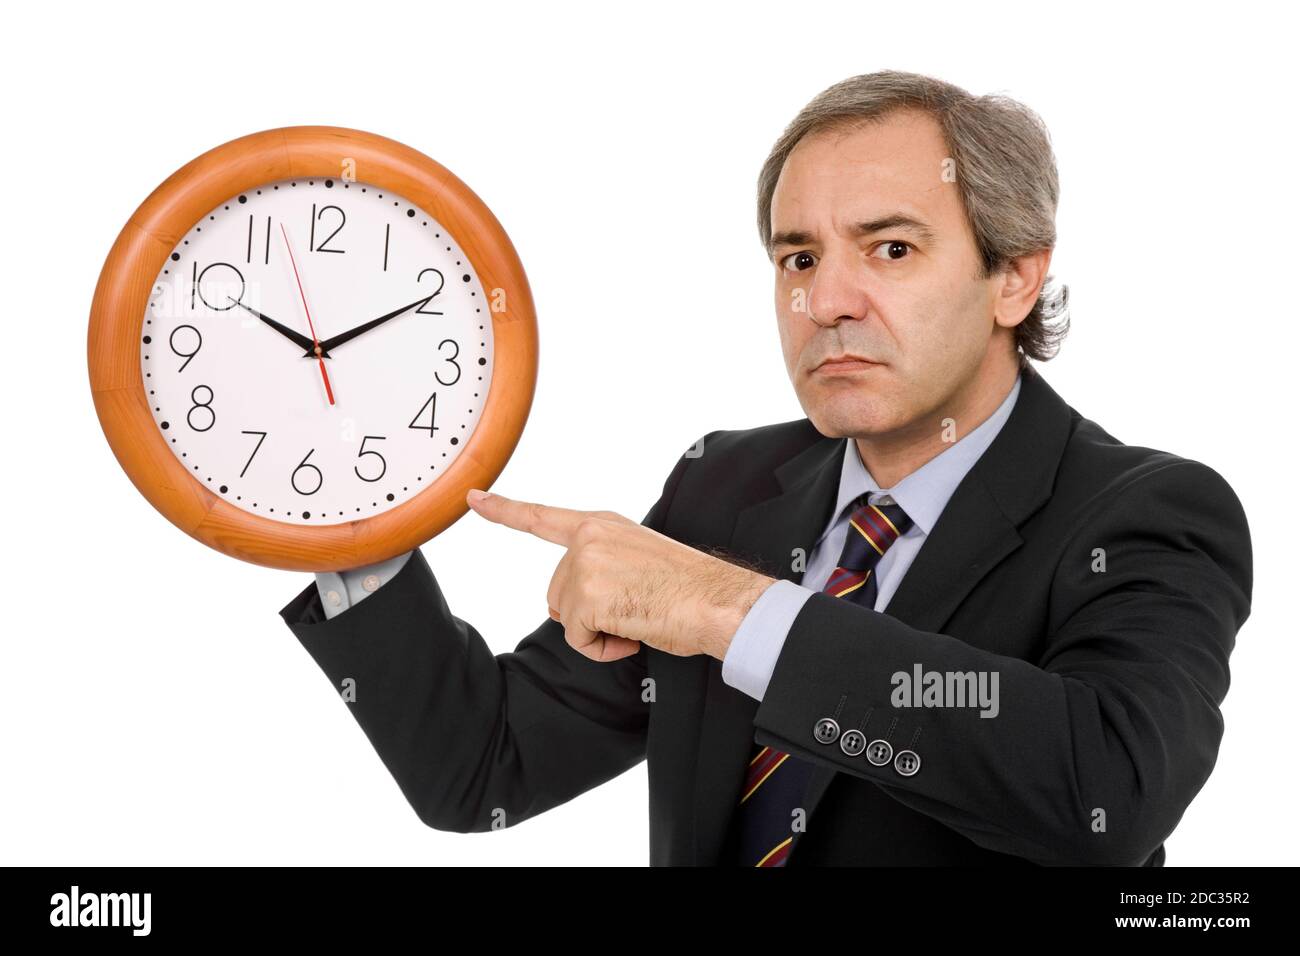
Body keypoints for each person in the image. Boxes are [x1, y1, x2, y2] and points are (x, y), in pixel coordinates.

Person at [279, 70, 1252, 866]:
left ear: (1013, 275)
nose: (826, 298)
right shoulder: (725, 489)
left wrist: (728, 610)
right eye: (796, 258)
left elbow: (1107, 789)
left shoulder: (1145, 514)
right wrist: (346, 507)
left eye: (891, 247)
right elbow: (483, 765)